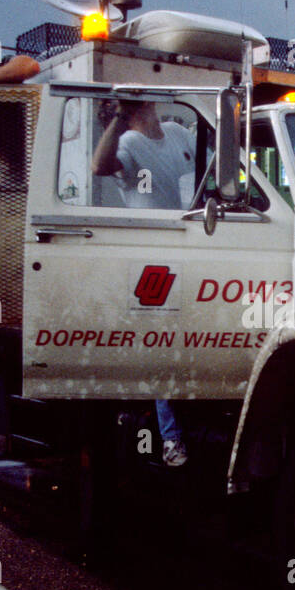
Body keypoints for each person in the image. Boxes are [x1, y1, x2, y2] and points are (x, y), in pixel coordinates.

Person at [93, 99, 194, 465]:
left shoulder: (179, 132)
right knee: (162, 345)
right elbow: (99, 165)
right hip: (153, 258)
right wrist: (121, 115)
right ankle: (171, 438)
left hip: (193, 246)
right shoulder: (127, 144)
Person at [91, 99, 195, 210]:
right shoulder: (128, 142)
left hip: (187, 221)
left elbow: (210, 168)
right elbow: (99, 168)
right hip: (153, 225)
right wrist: (121, 113)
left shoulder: (175, 131)